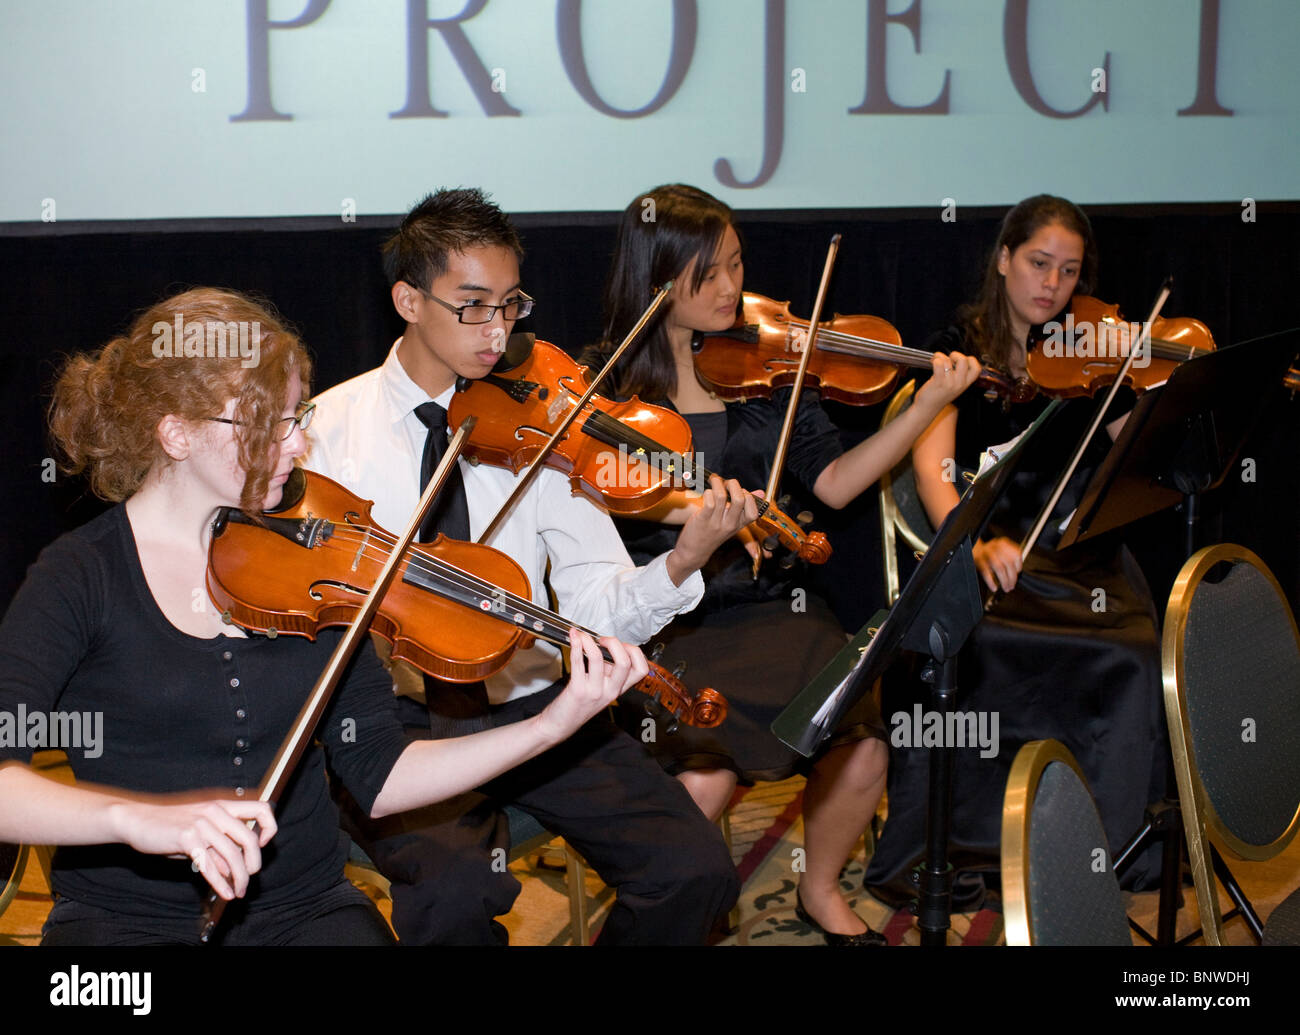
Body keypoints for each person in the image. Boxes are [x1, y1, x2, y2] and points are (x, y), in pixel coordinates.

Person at [0, 287, 647, 946]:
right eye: (267, 425)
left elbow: (380, 773)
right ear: (176, 432)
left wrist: (550, 725)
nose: (299, 442)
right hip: (120, 923)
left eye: (296, 415)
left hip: (304, 910)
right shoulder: (78, 577)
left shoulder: (317, 559)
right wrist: (138, 820)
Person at [305, 188, 747, 945]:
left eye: (511, 305)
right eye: (473, 305)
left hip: (536, 700)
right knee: (455, 898)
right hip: (399, 721)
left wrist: (680, 560)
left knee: (696, 869)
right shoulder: (323, 432)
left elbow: (595, 603)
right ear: (408, 300)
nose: (499, 328)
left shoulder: (544, 423)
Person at [586, 184, 981, 944]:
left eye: (737, 263)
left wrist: (929, 401)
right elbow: (599, 493)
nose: (734, 288)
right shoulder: (610, 387)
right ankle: (675, 910)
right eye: (709, 275)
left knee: (864, 744)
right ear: (660, 281)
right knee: (706, 777)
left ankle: (819, 885)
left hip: (774, 604)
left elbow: (837, 482)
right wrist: (686, 511)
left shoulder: (770, 373)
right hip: (668, 613)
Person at [863, 194, 1166, 906]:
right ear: (1003, 259)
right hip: (987, 548)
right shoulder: (959, 348)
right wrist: (970, 544)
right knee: (979, 649)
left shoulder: (1088, 348)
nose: (1052, 285)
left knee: (1132, 650)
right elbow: (934, 474)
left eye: (1069, 271)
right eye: (1038, 263)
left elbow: (1133, 456)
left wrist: (1140, 377)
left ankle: (1102, 847)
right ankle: (971, 844)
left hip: (1077, 553)